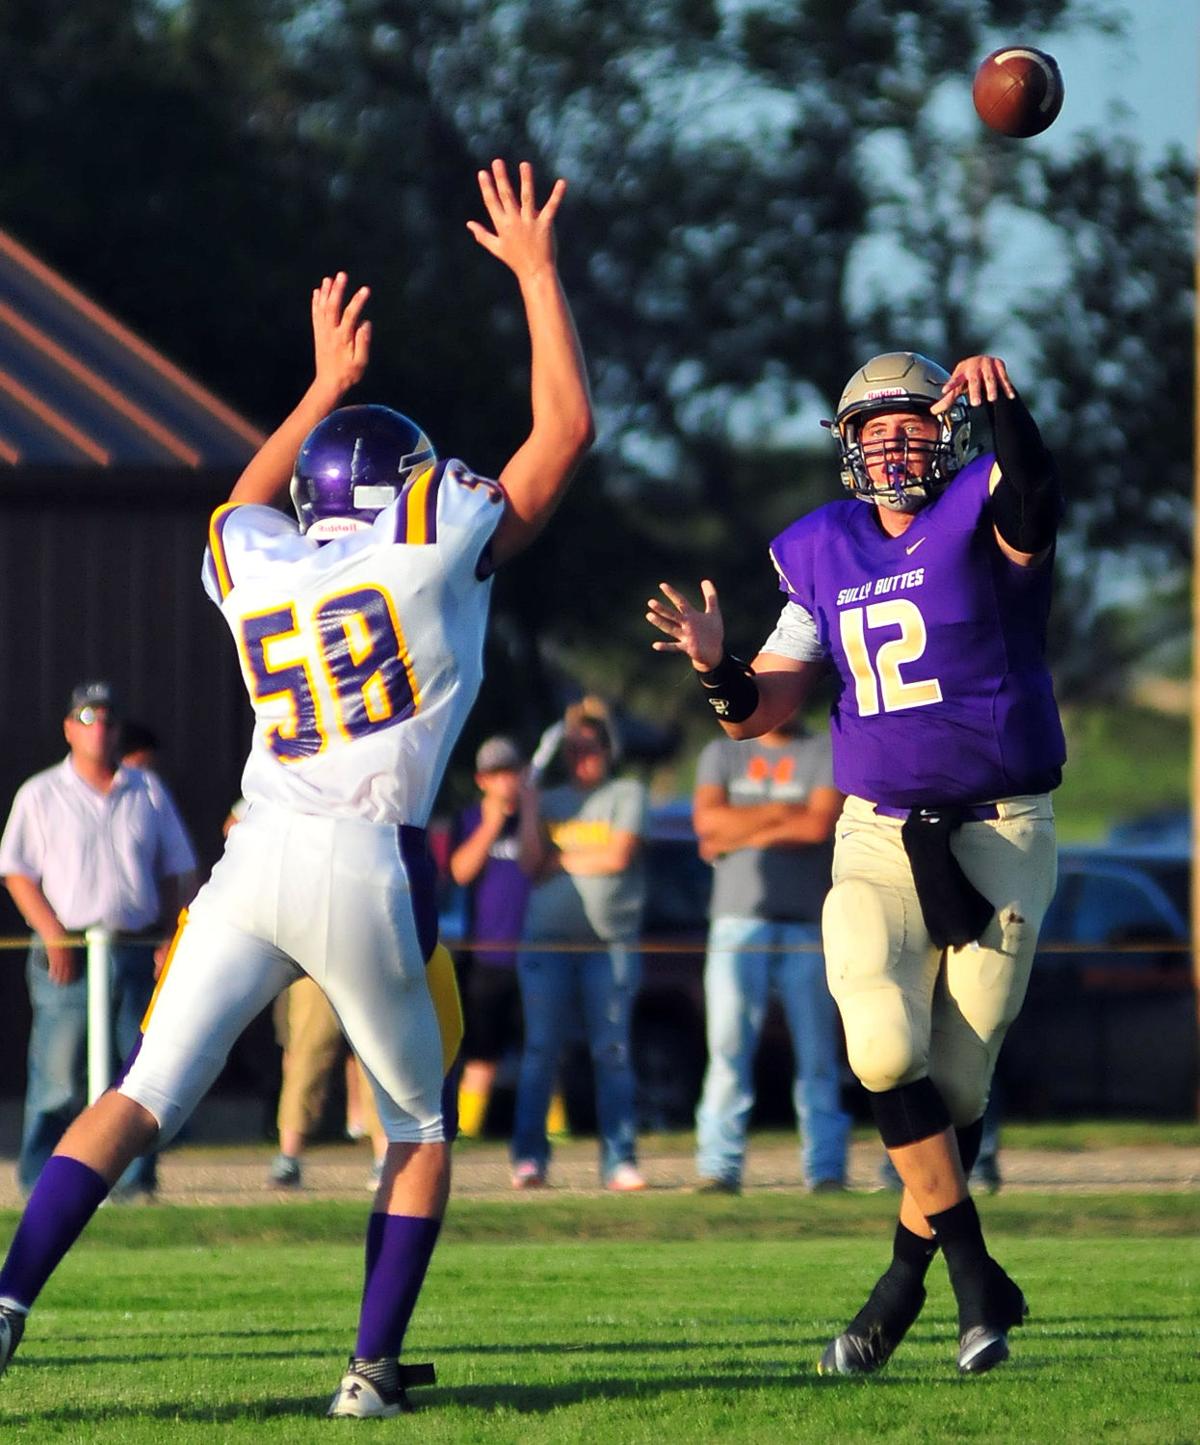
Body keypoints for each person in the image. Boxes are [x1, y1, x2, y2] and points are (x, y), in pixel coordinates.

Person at [0, 157, 593, 1420]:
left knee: (137, 1096)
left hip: (250, 856)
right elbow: (562, 443)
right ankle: (370, 1369)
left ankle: (4, 1306)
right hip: (364, 856)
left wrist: (320, 385)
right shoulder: (433, 544)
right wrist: (538, 276)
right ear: (407, 487)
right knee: (418, 1127)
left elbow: (242, 498)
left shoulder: (261, 560)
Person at [648, 351, 1062, 1377]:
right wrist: (718, 666)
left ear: (953, 431)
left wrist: (1007, 406)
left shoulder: (985, 503)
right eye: (870, 428)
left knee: (958, 1091)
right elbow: (764, 709)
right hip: (878, 831)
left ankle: (900, 1290)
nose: (890, 443)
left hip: (1003, 827)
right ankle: (973, 1283)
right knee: (879, 1043)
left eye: (910, 424)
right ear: (845, 446)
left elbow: (1036, 498)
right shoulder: (820, 550)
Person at [0, 682, 197, 1201]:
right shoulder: (40, 793)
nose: (101, 729)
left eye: (108, 719)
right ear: (69, 729)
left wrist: (171, 938)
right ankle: (43, 1181)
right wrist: (52, 934)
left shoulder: (146, 790)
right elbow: (16, 871)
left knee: (136, 1073)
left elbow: (179, 870)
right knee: (59, 1071)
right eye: (89, 719)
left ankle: (132, 1182)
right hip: (69, 950)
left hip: (134, 947)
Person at [691, 719, 849, 1194]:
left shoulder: (825, 750)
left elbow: (819, 823)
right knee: (727, 1048)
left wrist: (739, 830)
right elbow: (705, 822)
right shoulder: (720, 753)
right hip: (736, 921)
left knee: (818, 1053)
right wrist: (783, 812)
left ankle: (825, 1170)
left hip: (809, 922)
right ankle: (719, 1166)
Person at [512, 698, 647, 1191]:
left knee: (612, 1051)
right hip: (546, 945)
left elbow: (617, 855)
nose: (581, 756)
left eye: (591, 746)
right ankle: (529, 1157)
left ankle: (619, 1158)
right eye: (573, 748)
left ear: (609, 748)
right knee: (540, 1050)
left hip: (609, 944)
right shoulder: (548, 801)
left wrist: (559, 858)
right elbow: (530, 864)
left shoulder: (627, 793)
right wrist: (529, 807)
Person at [448, 736, 534, 1139]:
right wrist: (491, 825)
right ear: (483, 780)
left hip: (533, 955)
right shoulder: (467, 820)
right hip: (487, 957)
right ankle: (468, 1130)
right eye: (497, 774)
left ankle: (552, 1131)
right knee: (482, 1054)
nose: (507, 782)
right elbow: (461, 871)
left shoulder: (534, 817)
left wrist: (530, 812)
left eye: (513, 772)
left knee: (538, 1052)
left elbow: (536, 863)